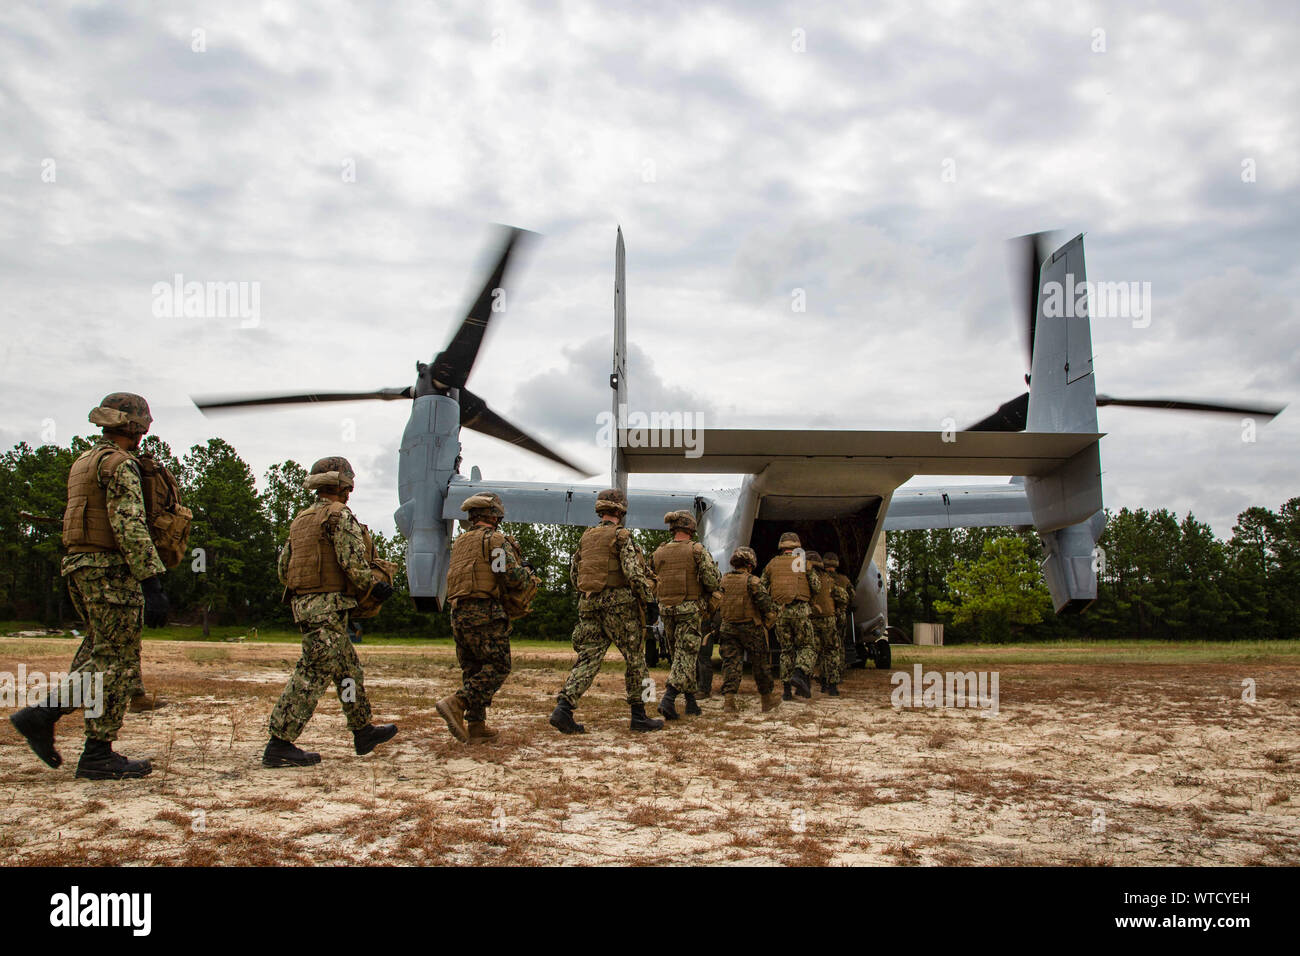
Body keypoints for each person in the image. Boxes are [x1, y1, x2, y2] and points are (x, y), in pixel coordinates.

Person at [10, 393, 167, 779]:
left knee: (98, 653)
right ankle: (68, 733)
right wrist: (152, 581)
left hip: (80, 567)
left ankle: (92, 746)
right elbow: (128, 524)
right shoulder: (120, 464)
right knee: (113, 661)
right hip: (110, 571)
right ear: (136, 425)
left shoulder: (85, 461)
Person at [262, 457, 397, 767]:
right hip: (328, 607)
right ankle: (279, 743)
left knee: (348, 670)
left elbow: (284, 569)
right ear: (343, 486)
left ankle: (363, 731)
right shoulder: (340, 517)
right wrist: (373, 586)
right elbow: (352, 561)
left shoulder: (300, 520)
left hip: (308, 607)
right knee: (312, 673)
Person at [550, 489, 664, 734]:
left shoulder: (587, 538)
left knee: (589, 658)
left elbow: (574, 574)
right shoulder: (622, 536)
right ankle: (640, 714)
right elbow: (633, 573)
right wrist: (650, 601)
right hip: (619, 607)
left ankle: (563, 708)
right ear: (621, 511)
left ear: (600, 510)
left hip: (589, 605)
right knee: (636, 659)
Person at [437, 492, 530, 743]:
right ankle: (458, 702)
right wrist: (526, 574)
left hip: (458, 612)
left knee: (473, 668)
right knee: (499, 666)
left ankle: (477, 726)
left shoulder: (461, 543)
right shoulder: (494, 539)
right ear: (493, 515)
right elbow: (508, 575)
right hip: (484, 610)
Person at [651, 510, 720, 721]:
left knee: (679, 657)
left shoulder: (659, 552)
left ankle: (691, 703)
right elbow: (711, 581)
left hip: (666, 609)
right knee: (687, 655)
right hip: (689, 610)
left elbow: (651, 578)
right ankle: (668, 699)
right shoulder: (697, 550)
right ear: (690, 528)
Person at [717, 547, 781, 713]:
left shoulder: (723, 580)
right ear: (750, 564)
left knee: (731, 664)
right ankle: (767, 701)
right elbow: (766, 605)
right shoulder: (752, 581)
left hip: (728, 626)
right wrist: (769, 620)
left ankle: (729, 702)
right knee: (760, 664)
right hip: (750, 628)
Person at [760, 532, 818, 700]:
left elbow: (762, 587)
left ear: (782, 546)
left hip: (781, 613)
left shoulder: (772, 564)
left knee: (786, 651)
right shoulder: (801, 562)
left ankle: (786, 691)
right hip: (800, 610)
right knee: (807, 646)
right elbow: (816, 586)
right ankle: (800, 673)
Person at [806, 551, 841, 696]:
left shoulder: (803, 579)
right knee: (831, 652)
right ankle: (832, 685)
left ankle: (806, 684)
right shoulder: (828, 579)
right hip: (829, 619)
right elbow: (843, 597)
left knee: (811, 652)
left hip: (812, 619)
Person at [824, 552, 854, 687]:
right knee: (839, 645)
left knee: (824, 646)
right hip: (840, 615)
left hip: (825, 616)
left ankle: (824, 673)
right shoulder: (844, 580)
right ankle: (838, 672)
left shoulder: (820, 579)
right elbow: (852, 595)